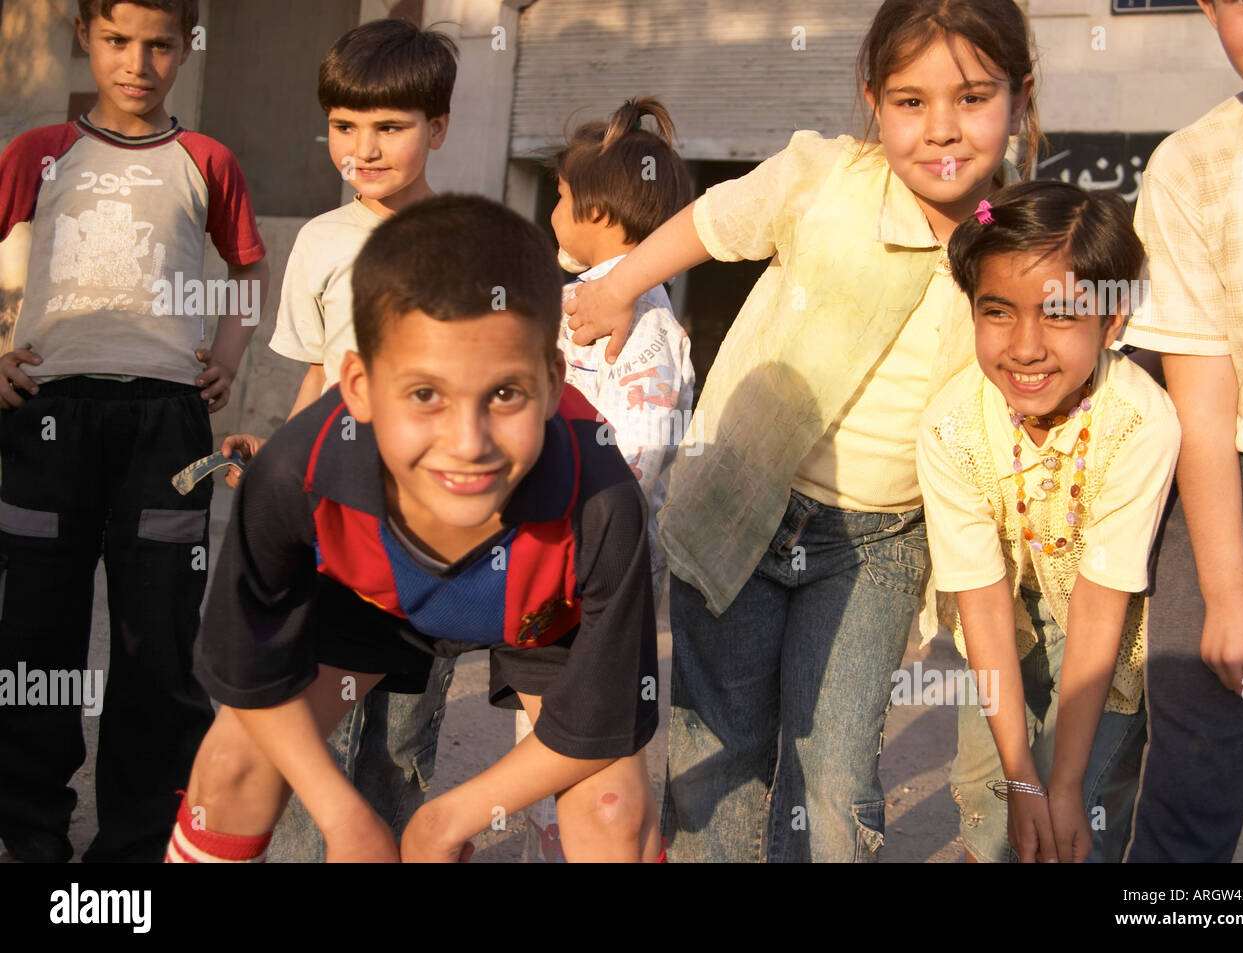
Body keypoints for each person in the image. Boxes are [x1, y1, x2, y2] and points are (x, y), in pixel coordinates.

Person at [565, 0, 1040, 861]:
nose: (941, 129)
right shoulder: (824, 177)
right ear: (872, 100)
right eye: (910, 101)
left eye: (972, 98)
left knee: (834, 775)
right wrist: (616, 287)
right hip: (742, 499)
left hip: (879, 542)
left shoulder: (1018, 241)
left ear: (1020, 97)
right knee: (718, 752)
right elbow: (711, 223)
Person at [167, 195, 662, 863]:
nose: (467, 442)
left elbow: (596, 724)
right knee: (227, 766)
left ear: (552, 382)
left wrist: (447, 820)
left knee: (614, 806)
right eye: (425, 393)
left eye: (505, 394)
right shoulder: (293, 474)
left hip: (543, 616)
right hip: (366, 595)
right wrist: (344, 819)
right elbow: (252, 678)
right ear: (360, 387)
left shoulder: (600, 499)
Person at [0, 0, 267, 863]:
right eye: (118, 40)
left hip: (168, 428)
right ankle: (32, 829)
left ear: (186, 46)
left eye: (160, 44)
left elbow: (247, 265)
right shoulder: (39, 153)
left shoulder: (207, 160)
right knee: (37, 633)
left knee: (159, 638)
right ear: (85, 36)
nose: (138, 63)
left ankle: (138, 841)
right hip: (46, 417)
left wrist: (227, 353)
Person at [222, 17, 462, 863]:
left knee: (400, 735)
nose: (363, 147)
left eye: (390, 128)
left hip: (429, 531)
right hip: (330, 525)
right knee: (310, 731)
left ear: (436, 128)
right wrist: (278, 459)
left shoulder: (467, 241)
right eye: (344, 126)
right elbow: (319, 381)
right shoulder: (320, 243)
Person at [917, 181, 1180, 863]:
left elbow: (1101, 606)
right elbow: (979, 598)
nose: (1025, 347)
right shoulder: (952, 427)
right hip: (1002, 616)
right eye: (998, 311)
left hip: (1107, 629)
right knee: (991, 800)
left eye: (1060, 315)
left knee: (1079, 819)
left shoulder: (1140, 423)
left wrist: (1061, 784)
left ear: (1112, 321)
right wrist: (1021, 775)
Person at [1119, 0, 1243, 862]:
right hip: (1235, 494)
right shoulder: (1190, 167)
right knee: (1189, 804)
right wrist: (1229, 594)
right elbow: (1202, 388)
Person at [519, 95, 694, 861]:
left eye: (559, 196)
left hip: (592, 576)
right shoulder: (579, 304)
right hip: (557, 564)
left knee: (585, 749)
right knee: (551, 744)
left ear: (594, 208)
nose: (553, 209)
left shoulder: (644, 325)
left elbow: (640, 454)